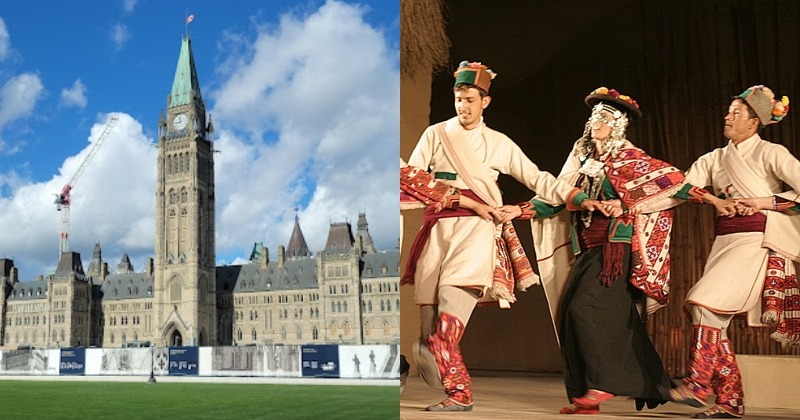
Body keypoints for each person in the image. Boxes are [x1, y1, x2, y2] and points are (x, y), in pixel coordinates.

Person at [497, 87, 734, 415]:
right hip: (586, 248)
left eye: (605, 118)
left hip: (614, 248)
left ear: (619, 125)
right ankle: (642, 384)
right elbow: (558, 195)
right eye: (594, 117)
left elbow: (672, 184)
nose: (597, 122)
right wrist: (520, 210)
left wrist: (712, 200)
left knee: (585, 308)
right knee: (573, 313)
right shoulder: (581, 156)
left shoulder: (627, 156)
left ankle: (602, 385)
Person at [400, 61, 606, 412]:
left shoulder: (498, 143)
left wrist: (578, 198)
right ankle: (430, 357)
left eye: (469, 99)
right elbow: (412, 178)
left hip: (476, 232)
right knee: (428, 328)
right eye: (458, 99)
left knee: (451, 312)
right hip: (437, 230)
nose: (462, 106)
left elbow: (539, 178)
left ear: (485, 102)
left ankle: (460, 393)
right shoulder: (436, 134)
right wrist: (454, 197)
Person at [668, 85, 800, 419]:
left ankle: (698, 383)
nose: (728, 117)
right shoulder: (714, 158)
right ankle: (730, 401)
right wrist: (712, 200)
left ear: (755, 121)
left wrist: (764, 201)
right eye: (729, 111)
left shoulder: (771, 153)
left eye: (736, 112)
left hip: (758, 239)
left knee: (702, 302)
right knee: (707, 316)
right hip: (725, 242)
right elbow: (683, 186)